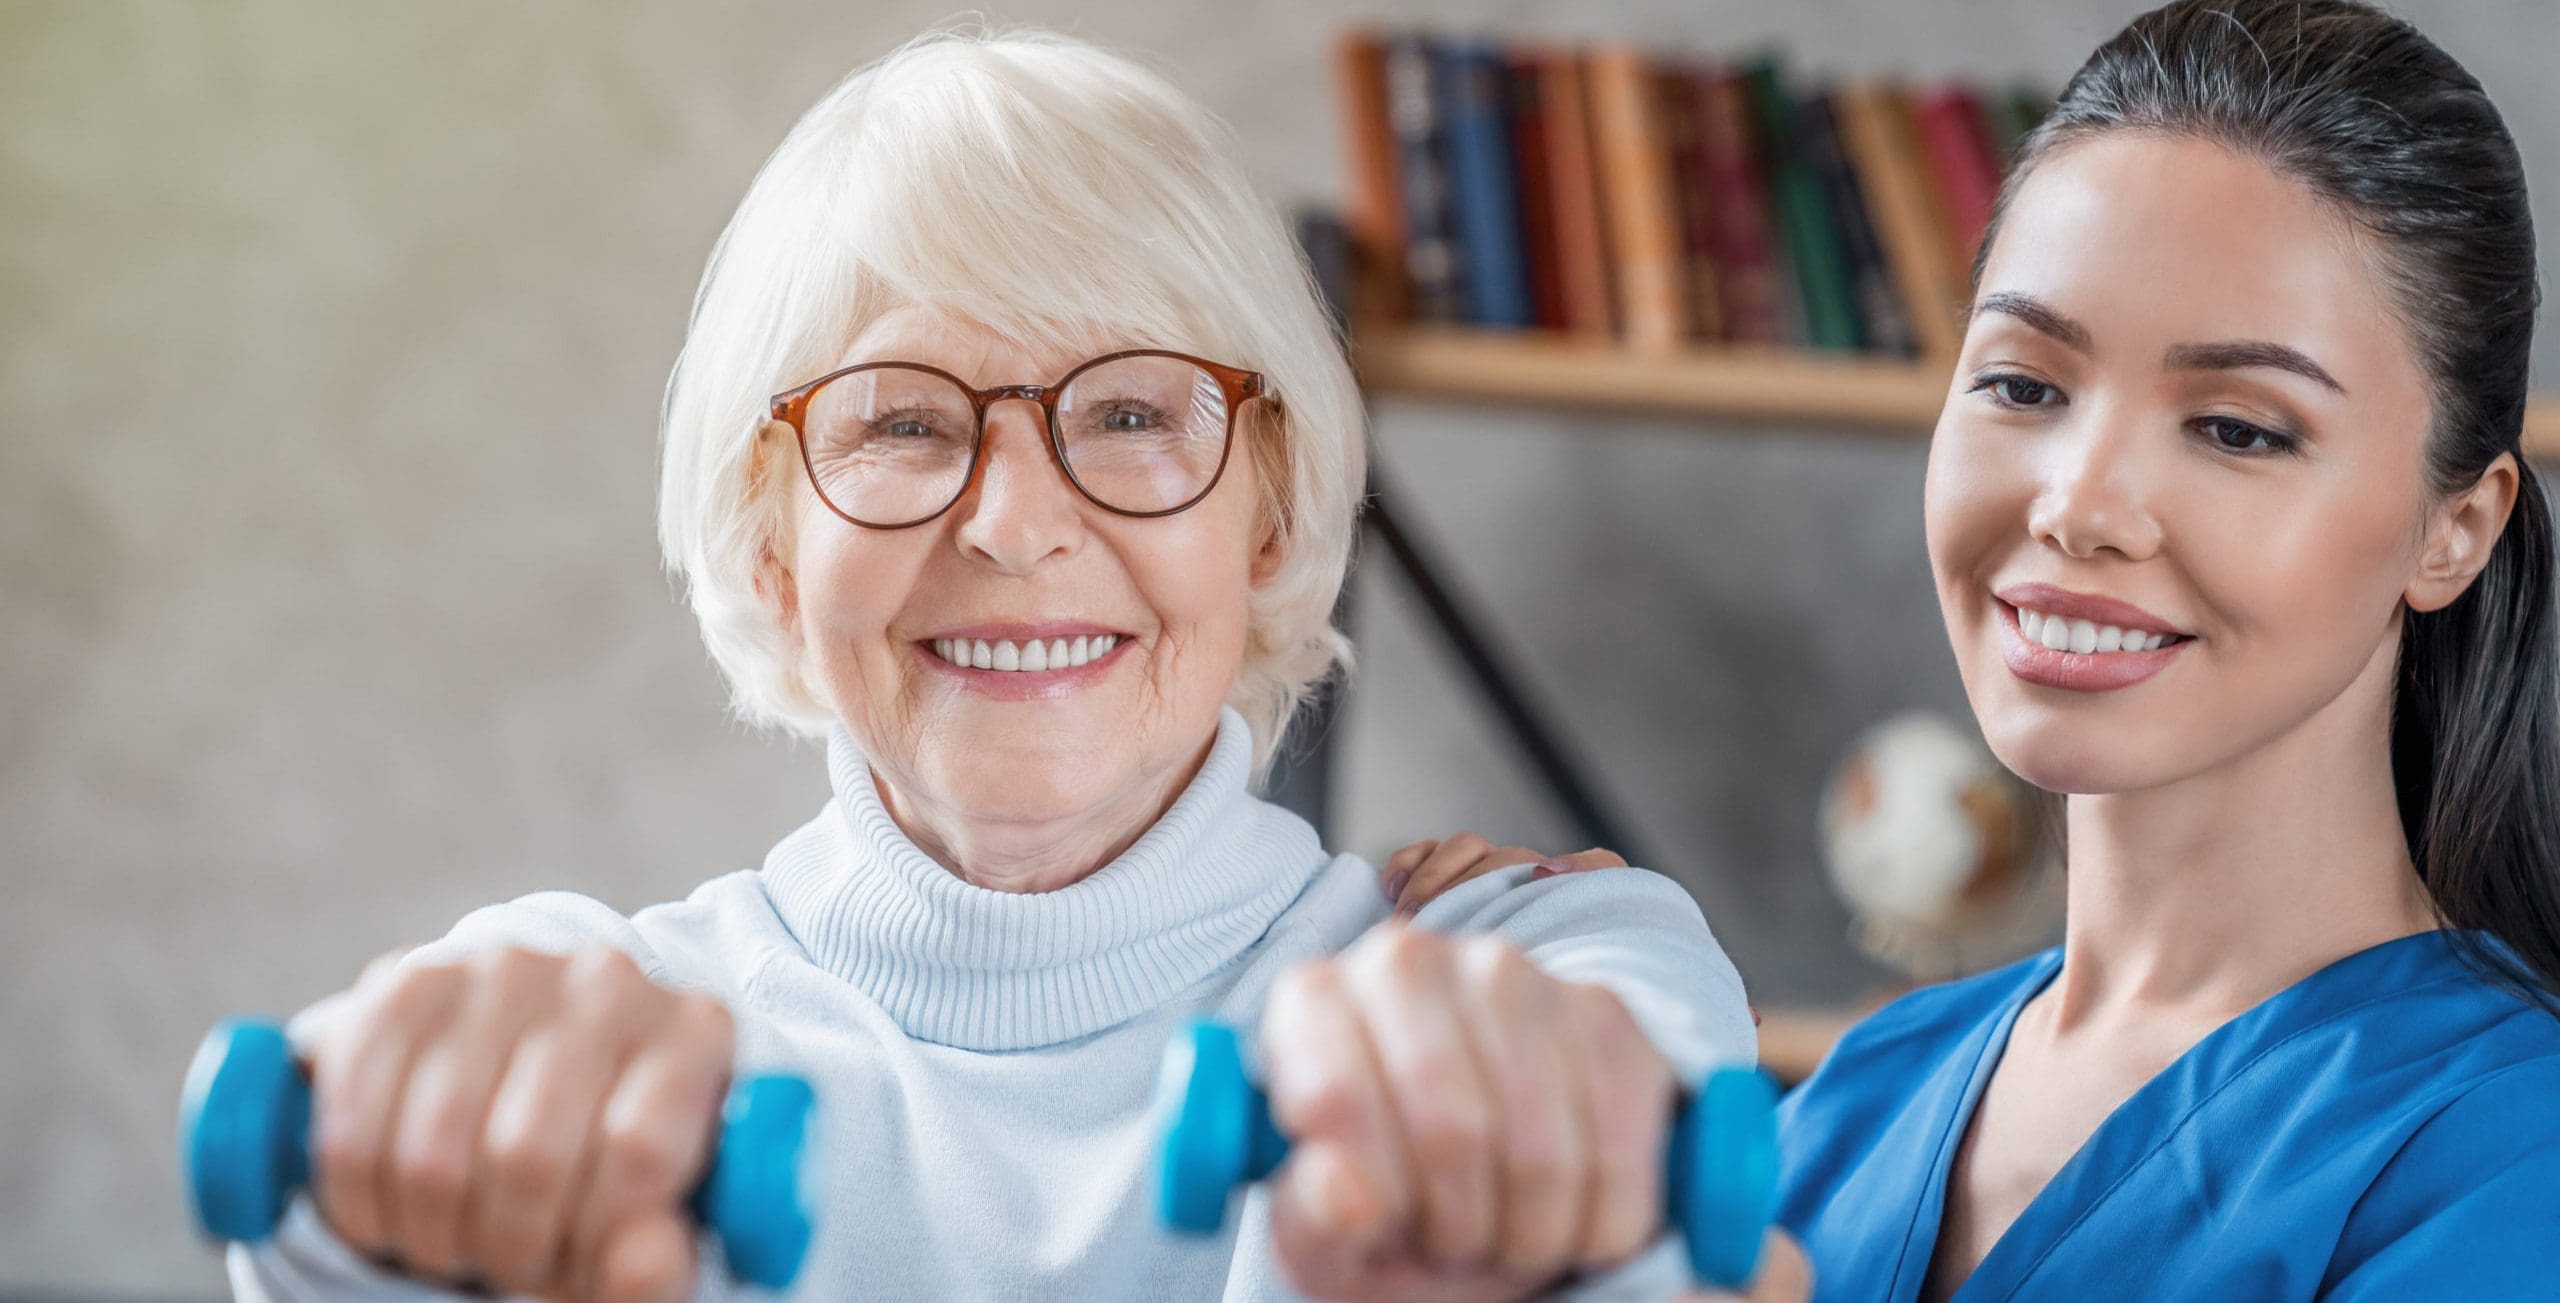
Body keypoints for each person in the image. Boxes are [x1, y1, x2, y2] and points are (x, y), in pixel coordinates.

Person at [228, 25, 1773, 1303]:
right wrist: (359, 1197)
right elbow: (324, 1242)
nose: (1019, 522)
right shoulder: (585, 1017)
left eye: (1128, 415)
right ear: (771, 540)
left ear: (1268, 507)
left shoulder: (1551, 962)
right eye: (902, 422)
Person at [1393, 1, 2560, 1296]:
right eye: (2023, 384)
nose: (2077, 504)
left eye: (2237, 428)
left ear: (2453, 531)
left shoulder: (2513, 1153)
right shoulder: (1856, 1098)